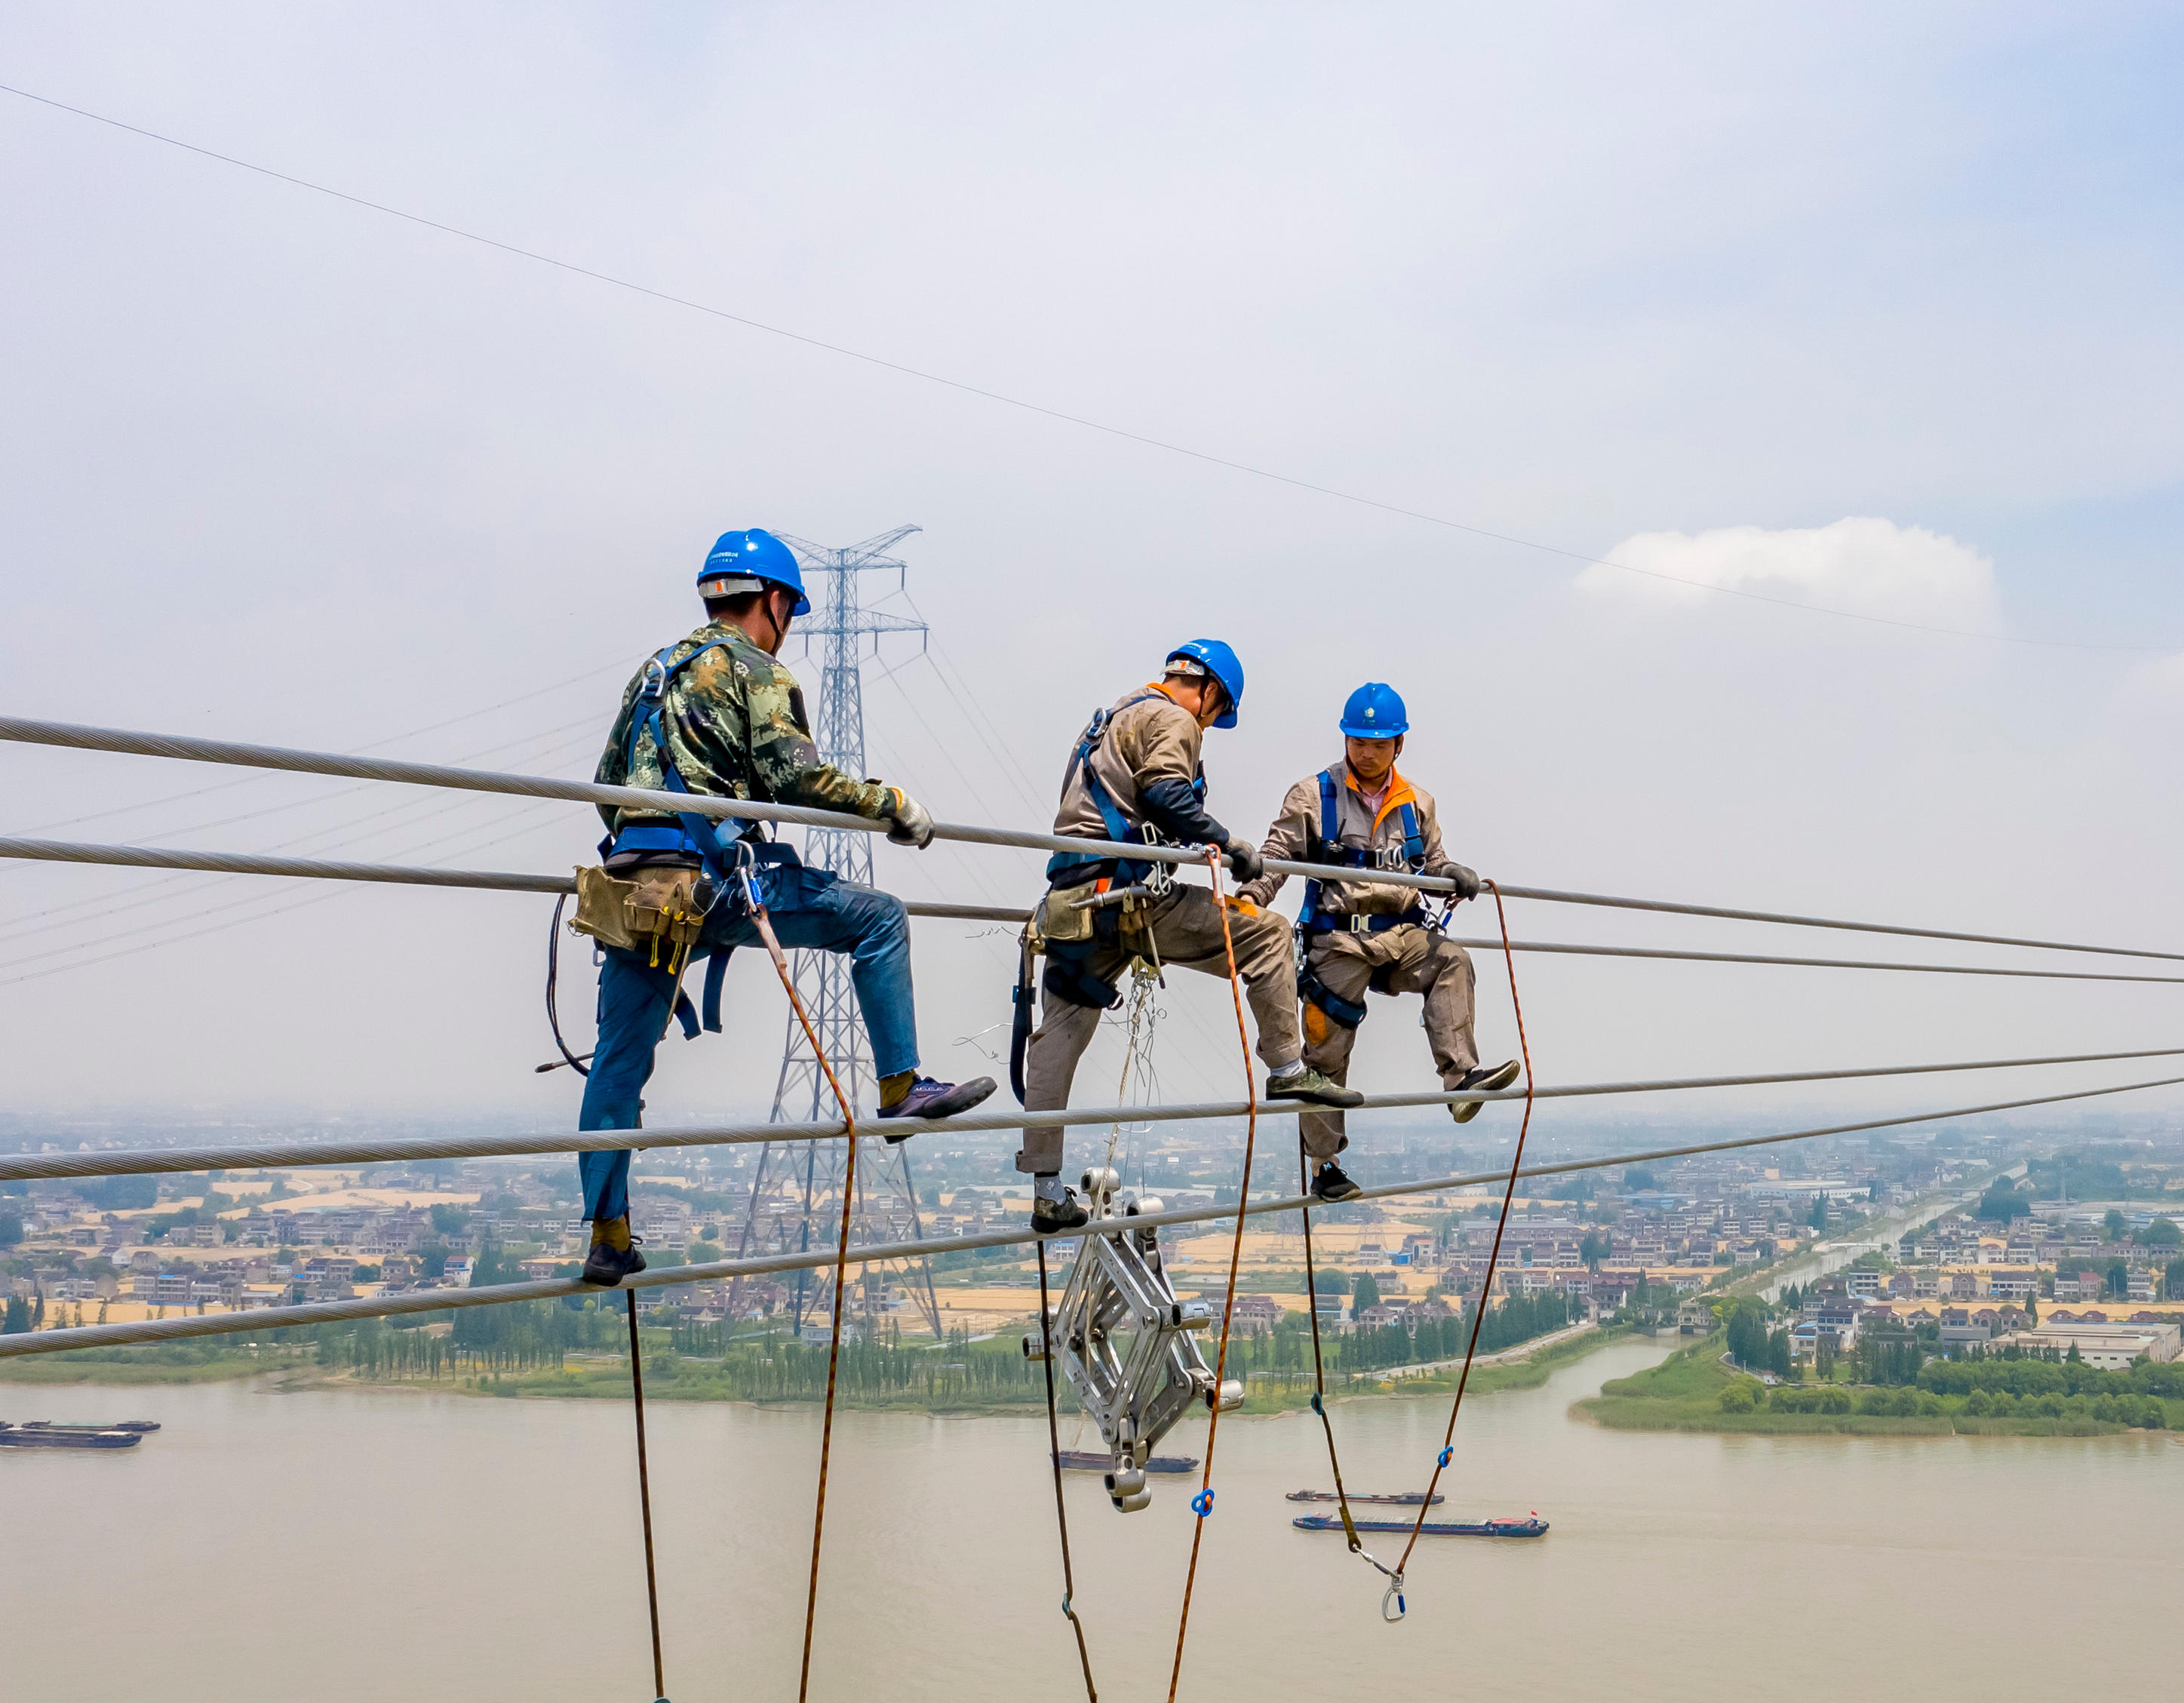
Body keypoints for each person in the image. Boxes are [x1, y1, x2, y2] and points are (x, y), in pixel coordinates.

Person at [572, 528, 994, 1286]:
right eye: (787, 611)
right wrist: (889, 804)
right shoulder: (753, 667)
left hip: (631, 888)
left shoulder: (652, 673)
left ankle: (607, 1234)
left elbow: (609, 783)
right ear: (772, 601)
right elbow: (796, 778)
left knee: (617, 1066)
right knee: (879, 918)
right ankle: (900, 1086)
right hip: (708, 883)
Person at [1015, 639, 1359, 1232]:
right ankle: (1285, 1069)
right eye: (1214, 709)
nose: (1208, 720)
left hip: (1074, 904)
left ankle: (1047, 1188)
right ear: (1210, 692)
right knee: (1269, 934)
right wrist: (1232, 846)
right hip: (1134, 897)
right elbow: (1165, 793)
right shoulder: (1173, 717)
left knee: (1059, 1036)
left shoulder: (1109, 720)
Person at [1250, 682, 1516, 1202]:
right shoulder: (1313, 795)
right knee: (1325, 1053)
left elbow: (1433, 865)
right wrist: (1248, 901)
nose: (1366, 752)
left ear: (1399, 744)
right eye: (1357, 742)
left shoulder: (1417, 804)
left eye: (1377, 743)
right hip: (1339, 939)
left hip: (1401, 933)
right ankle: (1326, 1167)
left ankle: (1461, 1082)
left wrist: (1453, 874)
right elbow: (1276, 855)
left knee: (1453, 963)